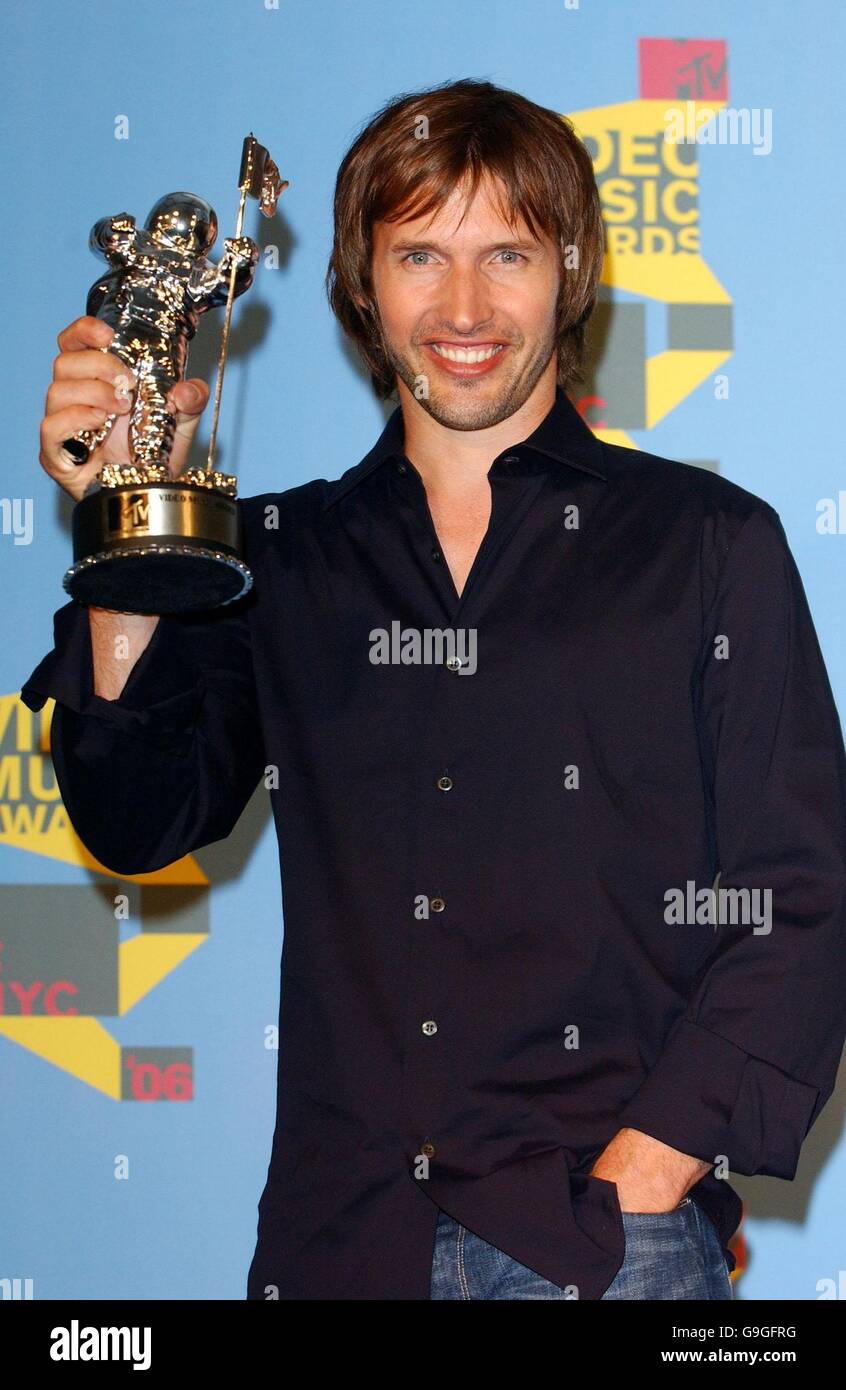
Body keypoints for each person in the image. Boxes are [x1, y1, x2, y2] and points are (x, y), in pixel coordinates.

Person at [24, 78, 846, 1301]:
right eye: (420, 254)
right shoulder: (272, 558)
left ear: (570, 272)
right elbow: (137, 818)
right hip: (338, 1244)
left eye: (505, 252)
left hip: (606, 1247)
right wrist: (127, 541)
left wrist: (647, 1174)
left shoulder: (710, 543)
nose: (464, 307)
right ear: (362, 282)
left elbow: (800, 899)